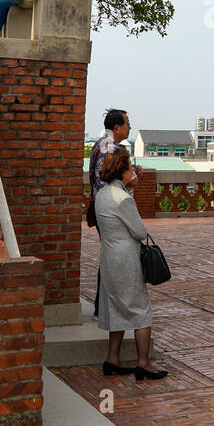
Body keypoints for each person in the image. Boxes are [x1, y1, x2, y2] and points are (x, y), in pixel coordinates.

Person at [94, 146, 168, 381]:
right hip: (126, 259)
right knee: (140, 310)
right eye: (129, 169)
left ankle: (112, 359)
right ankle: (142, 364)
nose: (132, 173)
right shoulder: (123, 198)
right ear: (122, 170)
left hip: (108, 257)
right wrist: (132, 191)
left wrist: (132, 188)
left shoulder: (102, 194)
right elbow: (139, 230)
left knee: (116, 307)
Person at [89, 109, 138, 317]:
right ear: (117, 128)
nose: (129, 128)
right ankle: (111, 307)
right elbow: (130, 181)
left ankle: (101, 306)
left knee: (107, 255)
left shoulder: (97, 145)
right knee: (117, 258)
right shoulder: (117, 150)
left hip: (99, 207)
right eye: (127, 124)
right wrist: (137, 176)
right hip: (116, 209)